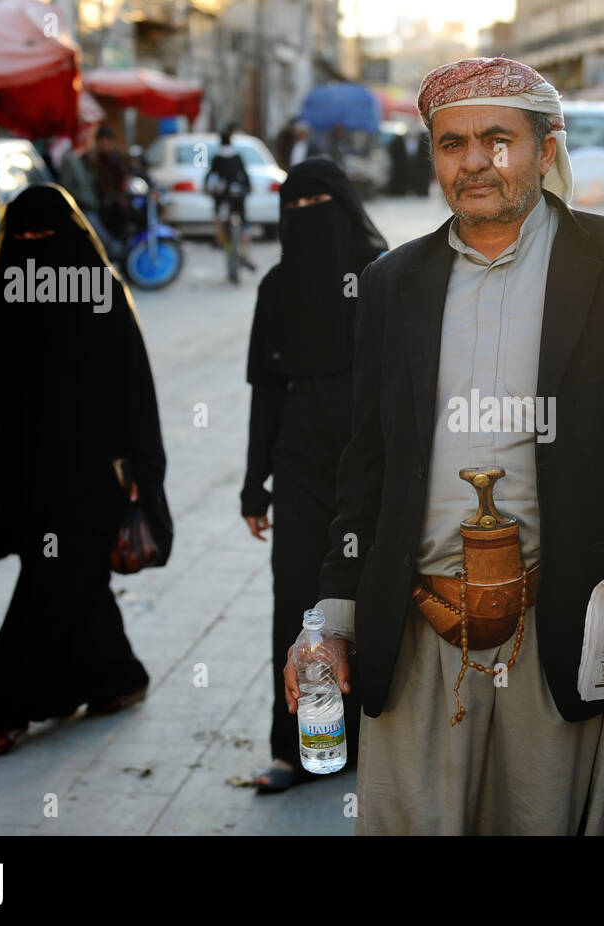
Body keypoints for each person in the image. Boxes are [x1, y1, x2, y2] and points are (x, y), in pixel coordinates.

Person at [286, 56, 604, 835]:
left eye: (498, 139)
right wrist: (327, 621)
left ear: (546, 146)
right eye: (452, 144)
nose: (474, 163)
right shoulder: (392, 284)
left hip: (561, 624)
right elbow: (366, 470)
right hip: (417, 629)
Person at [0, 184, 172, 755]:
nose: (34, 249)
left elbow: (134, 390)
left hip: (92, 480)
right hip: (30, 479)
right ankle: (117, 678)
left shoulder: (102, 295)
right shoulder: (11, 297)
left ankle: (10, 705)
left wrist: (144, 467)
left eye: (45, 238)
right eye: (24, 239)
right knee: (78, 583)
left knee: (48, 583)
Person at [241, 158, 387, 792]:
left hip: (372, 460)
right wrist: (254, 484)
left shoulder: (384, 276)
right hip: (298, 466)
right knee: (299, 603)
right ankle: (300, 745)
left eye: (318, 203)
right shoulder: (276, 287)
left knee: (372, 600)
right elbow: (265, 391)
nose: (306, 219)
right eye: (292, 208)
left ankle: (380, 740)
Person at [204, 128, 254, 272]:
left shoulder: (217, 158)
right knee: (244, 223)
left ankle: (218, 240)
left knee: (219, 217)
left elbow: (210, 175)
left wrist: (207, 187)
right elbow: (245, 174)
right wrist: (248, 188)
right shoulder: (237, 156)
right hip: (238, 195)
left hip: (223, 196)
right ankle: (247, 254)